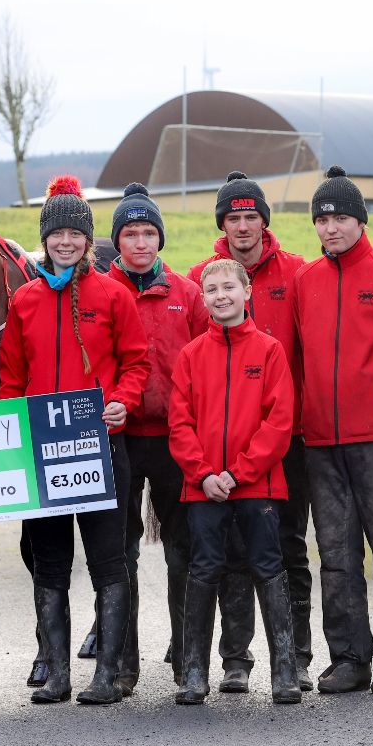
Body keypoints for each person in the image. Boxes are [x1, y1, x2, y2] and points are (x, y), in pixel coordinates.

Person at [0, 175, 150, 705]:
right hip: (43, 454)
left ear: (88, 240)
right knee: (50, 563)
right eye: (57, 234)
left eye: (75, 234)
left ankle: (107, 675)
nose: (66, 242)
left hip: (101, 449)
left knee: (109, 561)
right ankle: (58, 674)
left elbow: (137, 362)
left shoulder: (113, 295)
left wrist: (123, 401)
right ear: (45, 239)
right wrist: (14, 430)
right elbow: (11, 378)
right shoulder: (25, 300)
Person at [292, 166, 373, 694]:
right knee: (337, 558)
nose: (330, 228)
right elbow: (298, 361)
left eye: (340, 218)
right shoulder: (305, 281)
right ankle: (349, 658)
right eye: (322, 219)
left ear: (360, 221)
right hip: (322, 443)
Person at [187, 171, 313, 692]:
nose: (242, 225)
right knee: (224, 560)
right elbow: (186, 404)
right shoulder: (201, 278)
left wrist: (245, 468)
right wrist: (206, 471)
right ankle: (233, 660)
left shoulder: (297, 272)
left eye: (251, 216)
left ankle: (295, 659)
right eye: (233, 217)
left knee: (286, 551)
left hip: (279, 448)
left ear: (263, 221)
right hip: (210, 467)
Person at [170, 259, 299, 705]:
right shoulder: (191, 355)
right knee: (204, 569)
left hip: (257, 485)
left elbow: (279, 422)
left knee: (268, 566)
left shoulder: (269, 351)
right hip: (203, 488)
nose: (221, 296)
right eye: (211, 290)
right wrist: (203, 474)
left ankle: (285, 671)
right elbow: (180, 424)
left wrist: (238, 472)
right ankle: (193, 673)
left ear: (247, 291)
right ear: (202, 298)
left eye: (229, 287)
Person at [101, 183, 209, 693]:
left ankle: (187, 661)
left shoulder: (187, 294)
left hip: (174, 438)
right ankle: (124, 665)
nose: (140, 242)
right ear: (117, 240)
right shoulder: (99, 293)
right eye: (130, 233)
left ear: (160, 238)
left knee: (181, 550)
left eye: (148, 232)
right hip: (118, 438)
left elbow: (211, 359)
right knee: (120, 551)